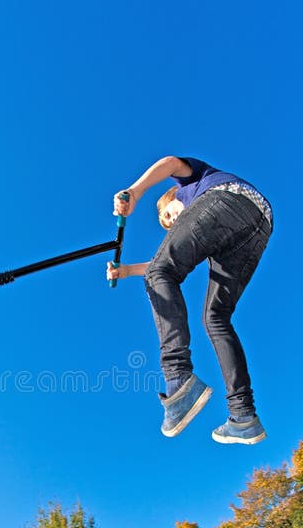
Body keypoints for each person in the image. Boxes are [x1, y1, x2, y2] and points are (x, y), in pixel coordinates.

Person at [108, 155, 273, 444]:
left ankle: (179, 379)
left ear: (174, 197)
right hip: (259, 223)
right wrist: (125, 271)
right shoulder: (206, 225)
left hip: (227, 200)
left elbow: (171, 161)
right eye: (167, 225)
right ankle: (243, 415)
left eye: (168, 215)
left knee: (161, 272)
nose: (172, 223)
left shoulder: (191, 184)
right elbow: (160, 264)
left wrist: (135, 191)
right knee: (216, 317)